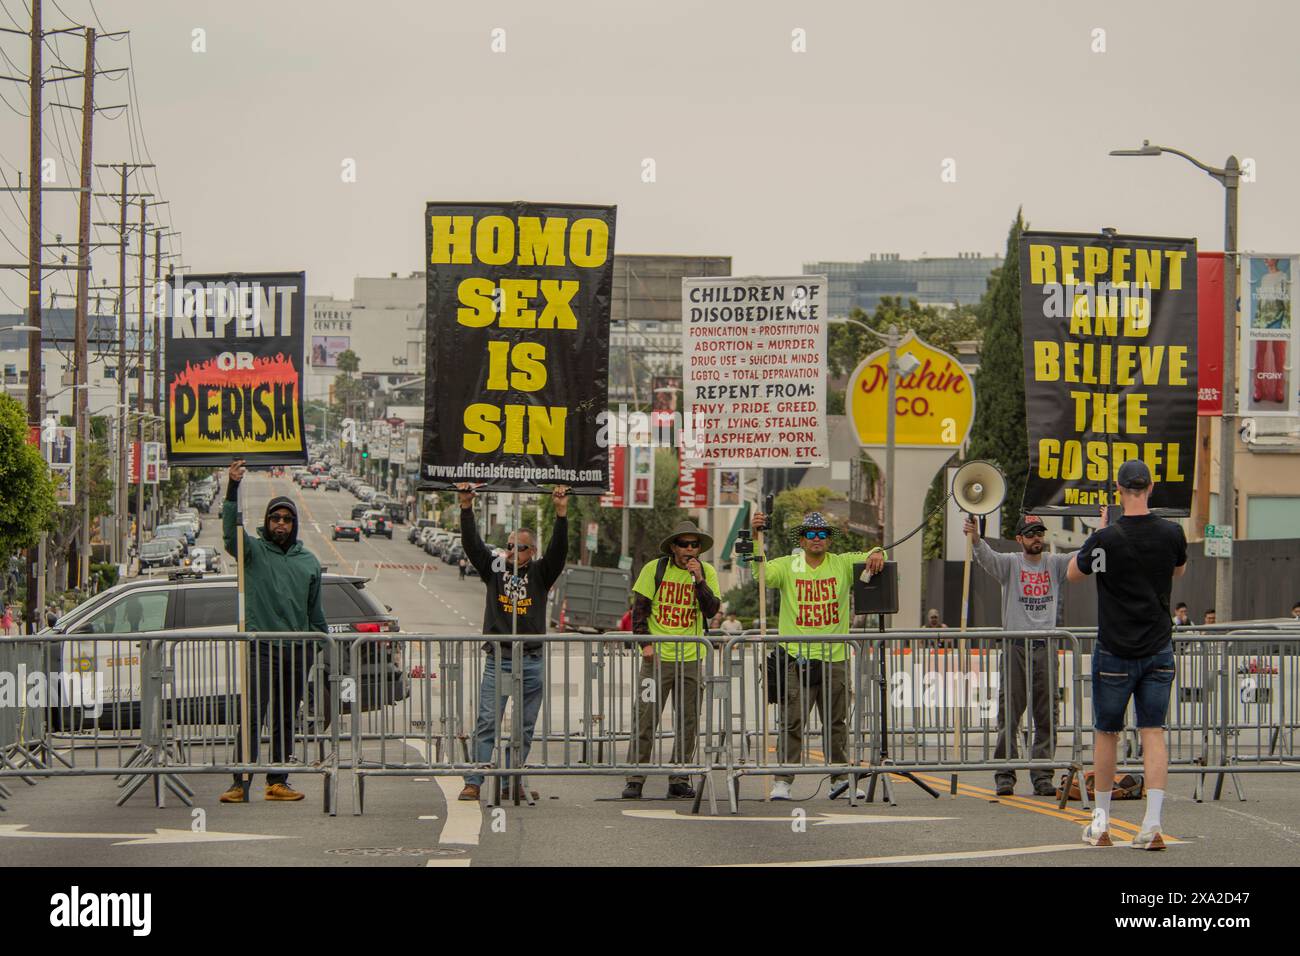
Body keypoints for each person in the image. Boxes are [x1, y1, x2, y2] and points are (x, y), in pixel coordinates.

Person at [1069, 459, 1187, 850]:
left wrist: (1099, 533)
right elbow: (1179, 572)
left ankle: (1101, 824)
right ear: (1151, 487)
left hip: (1115, 649)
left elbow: (1073, 572)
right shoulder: (1172, 533)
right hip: (1158, 647)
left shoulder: (1107, 539)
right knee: (1153, 732)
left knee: (1107, 734)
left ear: (1118, 490)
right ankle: (1151, 823)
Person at [751, 510, 886, 801]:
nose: (816, 539)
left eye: (822, 534)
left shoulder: (842, 563)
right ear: (801, 539)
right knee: (792, 721)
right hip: (795, 658)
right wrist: (755, 538)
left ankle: (839, 778)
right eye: (811, 534)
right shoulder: (788, 565)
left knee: (836, 723)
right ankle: (783, 781)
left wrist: (878, 552)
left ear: (828, 539)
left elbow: (875, 552)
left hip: (834, 657)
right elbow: (761, 575)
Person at [219, 459, 328, 803]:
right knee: (253, 715)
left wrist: (316, 647)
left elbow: (315, 613)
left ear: (294, 524)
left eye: (287, 519)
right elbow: (228, 533)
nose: (281, 524)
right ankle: (240, 783)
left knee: (284, 717)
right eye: (275, 518)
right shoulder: (252, 552)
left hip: (295, 650)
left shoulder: (308, 562)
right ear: (266, 522)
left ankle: (277, 781)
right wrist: (233, 486)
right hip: (260, 647)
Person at [457, 483, 568, 802]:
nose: (511, 552)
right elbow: (473, 545)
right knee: (488, 721)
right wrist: (466, 507)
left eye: (519, 547)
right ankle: (474, 780)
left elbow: (560, 551)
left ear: (532, 551)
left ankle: (510, 780)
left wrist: (561, 513)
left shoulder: (541, 573)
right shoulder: (495, 570)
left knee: (524, 728)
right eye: (508, 546)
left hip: (531, 661)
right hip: (499, 660)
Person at [966, 513, 1077, 797]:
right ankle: (1005, 774)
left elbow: (1083, 555)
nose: (1036, 538)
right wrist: (976, 537)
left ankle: (1042, 776)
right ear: (1020, 539)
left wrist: (1104, 530)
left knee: (1047, 714)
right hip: (1015, 646)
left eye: (1039, 533)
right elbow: (985, 557)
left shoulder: (1054, 562)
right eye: (1030, 534)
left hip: (1046, 646)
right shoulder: (1011, 563)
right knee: (1010, 714)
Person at [622, 520, 721, 800]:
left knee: (688, 720)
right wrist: (646, 644)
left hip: (691, 657)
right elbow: (639, 610)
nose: (689, 549)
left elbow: (711, 609)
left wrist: (699, 580)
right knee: (645, 717)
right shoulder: (655, 569)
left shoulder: (707, 571)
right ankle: (635, 777)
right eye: (684, 544)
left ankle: (679, 777)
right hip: (658, 657)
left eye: (694, 544)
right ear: (673, 547)